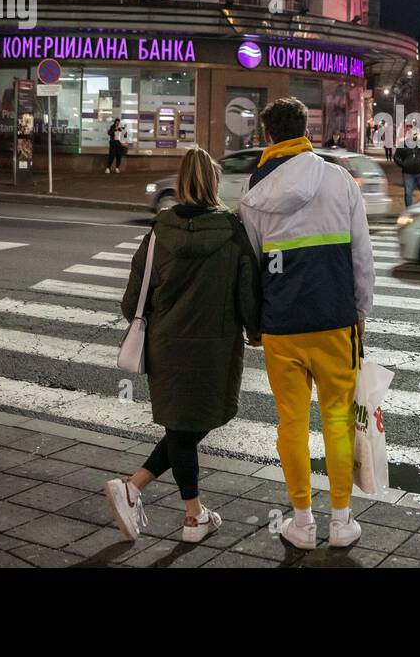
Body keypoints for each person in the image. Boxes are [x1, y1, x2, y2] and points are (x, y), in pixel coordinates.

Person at [237, 98, 375, 551]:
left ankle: (301, 521)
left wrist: (255, 325)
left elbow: (252, 268)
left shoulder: (254, 193)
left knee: (291, 424)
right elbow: (361, 258)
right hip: (335, 323)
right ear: (305, 129)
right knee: (338, 421)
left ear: (269, 136)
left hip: (282, 327)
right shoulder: (339, 179)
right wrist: (360, 313)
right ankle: (340, 521)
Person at [106, 147, 261, 544]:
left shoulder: (159, 231)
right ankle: (192, 516)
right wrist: (257, 331)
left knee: (183, 423)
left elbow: (132, 300)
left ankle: (135, 485)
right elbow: (248, 295)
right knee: (193, 422)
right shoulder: (232, 231)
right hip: (216, 348)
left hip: (166, 345)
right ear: (214, 182)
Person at [394, 129, 420, 207]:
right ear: (410, 134)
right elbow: (396, 157)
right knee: (408, 193)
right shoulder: (403, 144)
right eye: (414, 134)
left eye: (416, 134)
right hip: (408, 173)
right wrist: (403, 164)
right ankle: (409, 211)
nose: (415, 136)